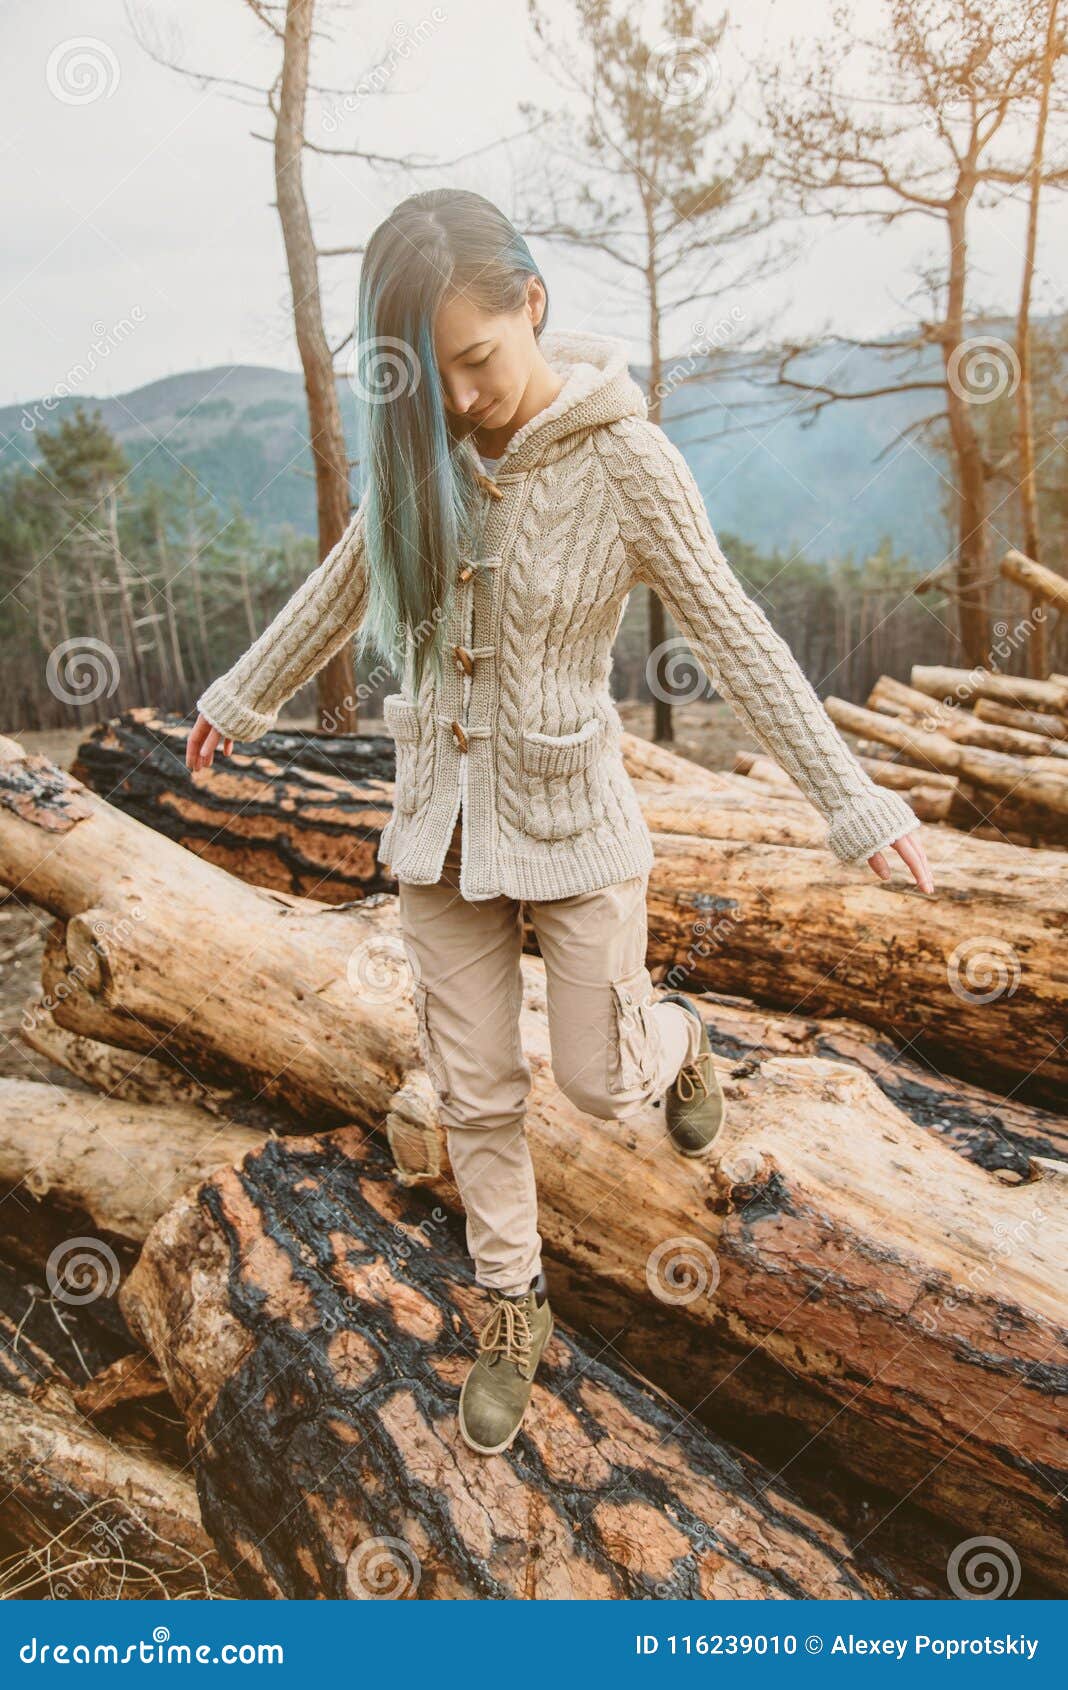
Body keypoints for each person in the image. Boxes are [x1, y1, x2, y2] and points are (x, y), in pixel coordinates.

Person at [186, 188, 934, 1458]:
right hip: (442, 830)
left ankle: (683, 1038)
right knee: (473, 1092)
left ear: (533, 304)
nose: (462, 398)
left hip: (575, 822)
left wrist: (852, 800)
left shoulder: (628, 460)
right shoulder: (426, 455)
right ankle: (513, 1300)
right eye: (431, 379)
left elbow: (737, 633)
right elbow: (343, 581)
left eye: (477, 360)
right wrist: (239, 696)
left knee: (595, 1082)